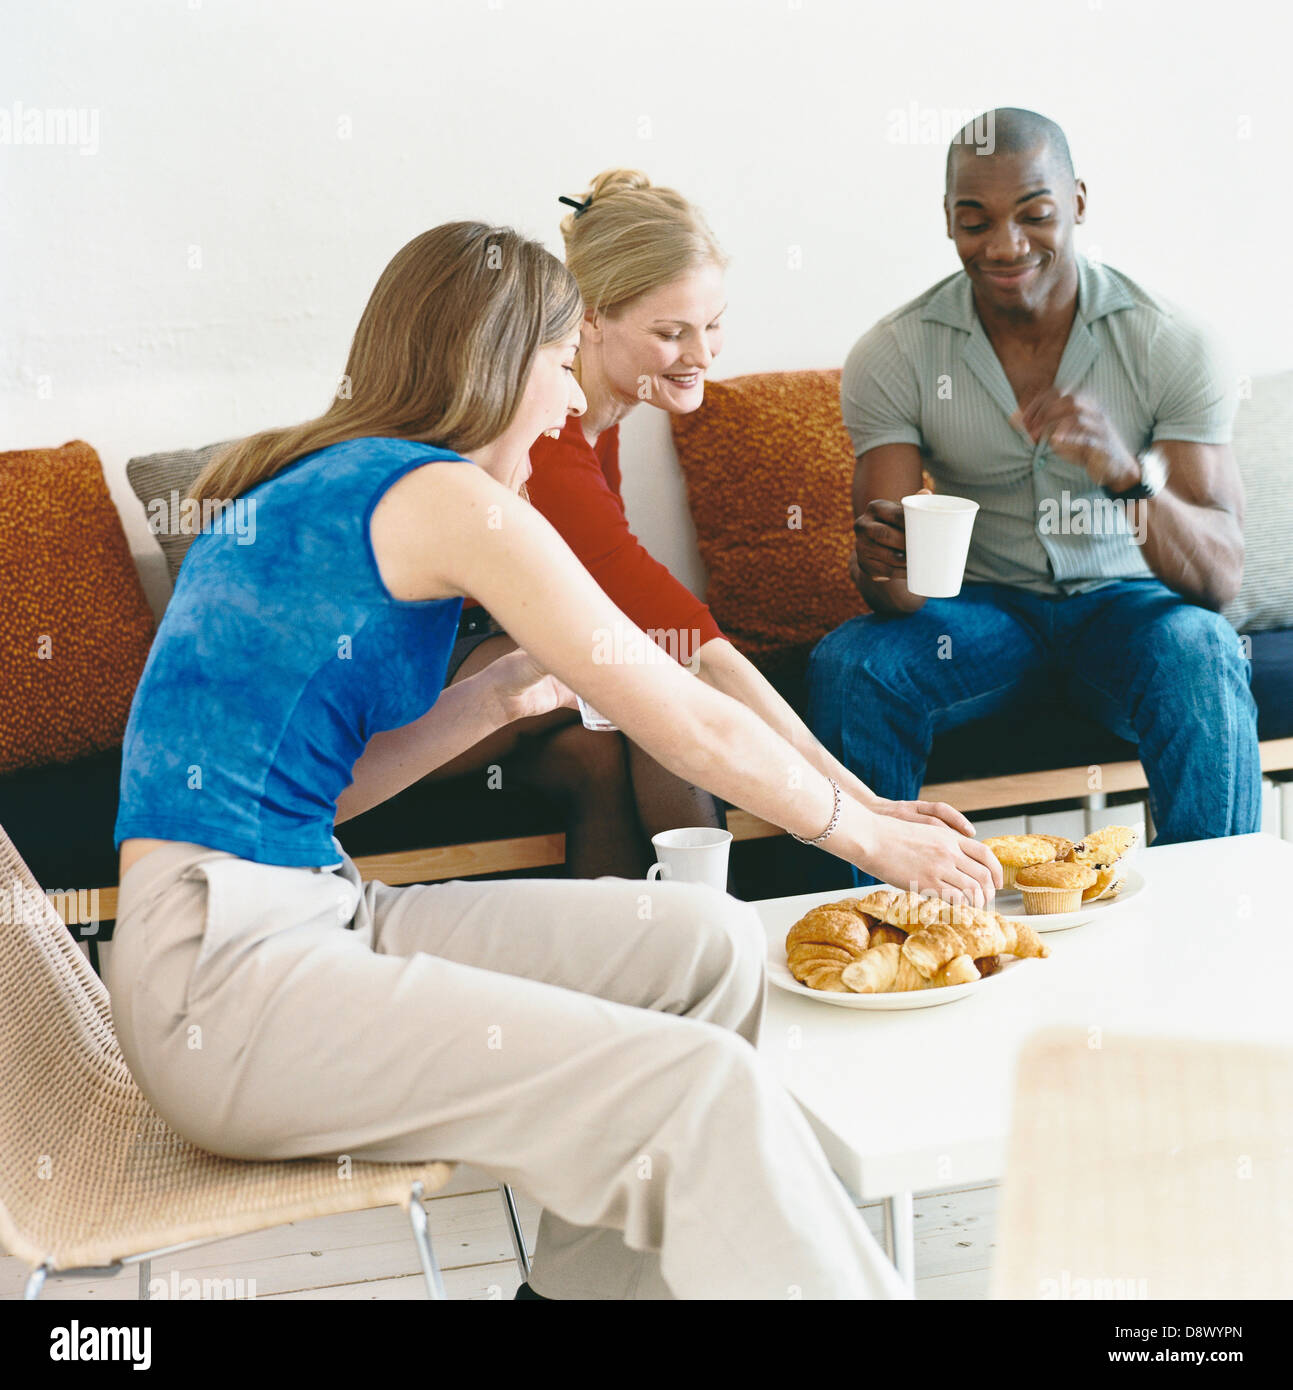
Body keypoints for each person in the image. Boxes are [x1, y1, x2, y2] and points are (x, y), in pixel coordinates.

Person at [108, 221, 999, 1301]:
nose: (572, 399)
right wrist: (867, 834)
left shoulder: (345, 484)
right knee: (698, 1088)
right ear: (494, 360)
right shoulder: (447, 496)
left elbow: (327, 792)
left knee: (704, 944)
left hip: (293, 917)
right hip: (229, 981)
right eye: (556, 360)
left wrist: (488, 698)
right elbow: (688, 717)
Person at [425, 169, 973, 881]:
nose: (704, 356)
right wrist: (862, 807)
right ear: (589, 318)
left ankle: (655, 965)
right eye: (669, 333)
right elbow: (691, 648)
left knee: (595, 757)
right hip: (432, 670)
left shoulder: (606, 411)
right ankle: (715, 948)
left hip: (522, 661)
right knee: (653, 688)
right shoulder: (547, 438)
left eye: (711, 326)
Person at [809, 108, 1259, 851]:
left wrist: (1121, 473)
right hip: (981, 620)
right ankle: (876, 934)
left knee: (1202, 649)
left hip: (1128, 610)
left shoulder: (1170, 341)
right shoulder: (895, 351)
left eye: (1034, 214)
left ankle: (1212, 916)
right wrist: (883, 564)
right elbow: (892, 593)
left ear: (1077, 203)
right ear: (948, 222)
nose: (1004, 245)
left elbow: (1217, 580)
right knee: (853, 664)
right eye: (974, 221)